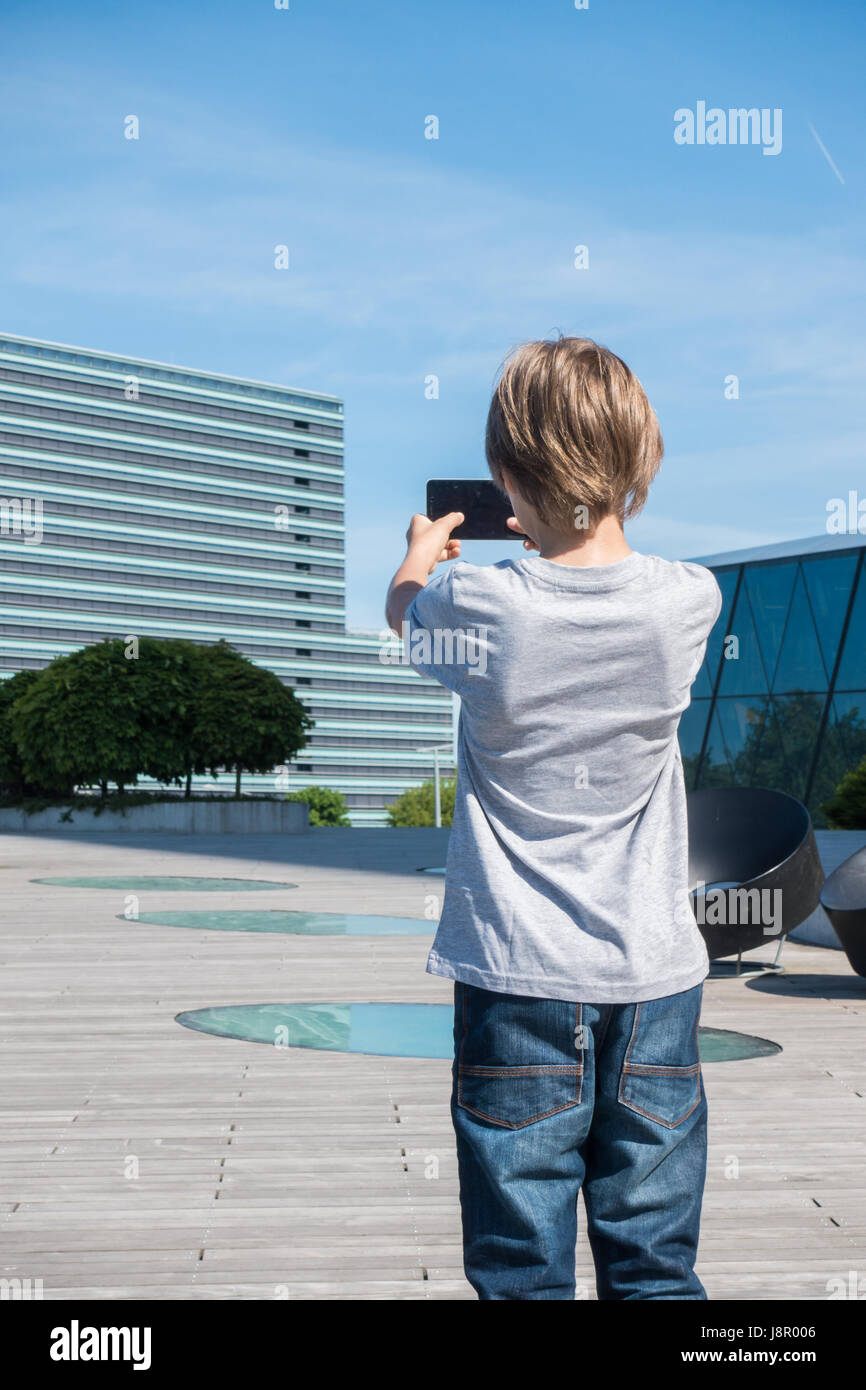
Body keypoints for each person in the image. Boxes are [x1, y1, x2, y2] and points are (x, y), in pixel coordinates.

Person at [385, 336, 722, 1301]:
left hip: (516, 980)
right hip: (656, 981)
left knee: (522, 1268)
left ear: (503, 478)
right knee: (655, 1258)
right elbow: (598, 583)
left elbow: (406, 617)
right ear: (640, 461)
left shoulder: (476, 603)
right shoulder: (688, 600)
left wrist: (417, 560)